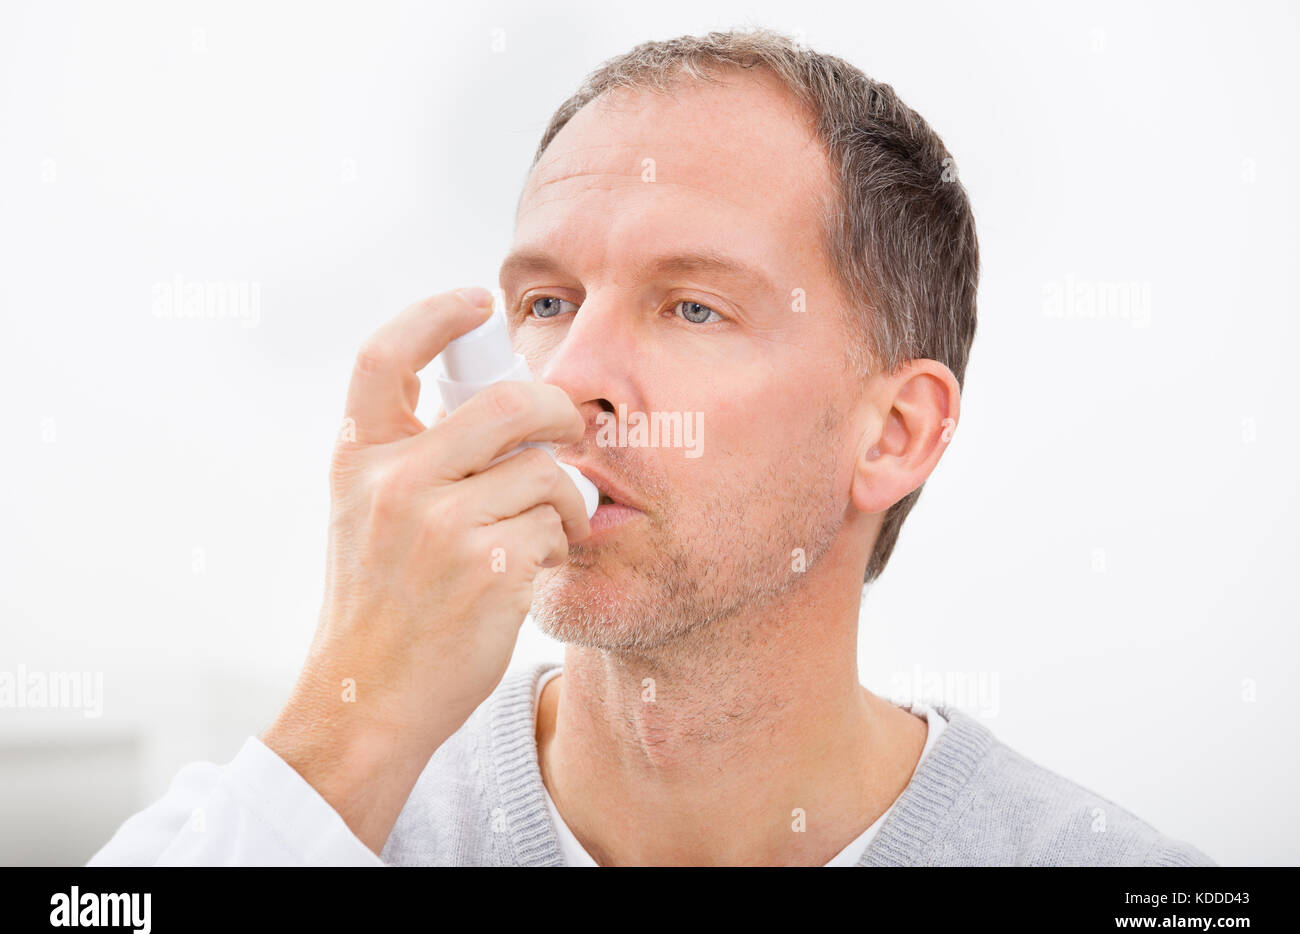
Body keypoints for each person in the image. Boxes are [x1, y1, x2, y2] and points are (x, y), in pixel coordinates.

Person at [89, 28, 1214, 866]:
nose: (570, 375)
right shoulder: (311, 817)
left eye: (691, 308)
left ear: (893, 432)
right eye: (544, 301)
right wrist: (351, 721)